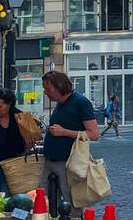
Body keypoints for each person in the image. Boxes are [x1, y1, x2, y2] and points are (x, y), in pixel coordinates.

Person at [41, 71, 100, 203]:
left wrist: (64, 132)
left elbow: (94, 134)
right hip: (51, 160)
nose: (45, 92)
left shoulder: (80, 102)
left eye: (48, 89)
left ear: (59, 86)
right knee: (44, 199)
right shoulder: (61, 103)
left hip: (68, 162)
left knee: (72, 200)